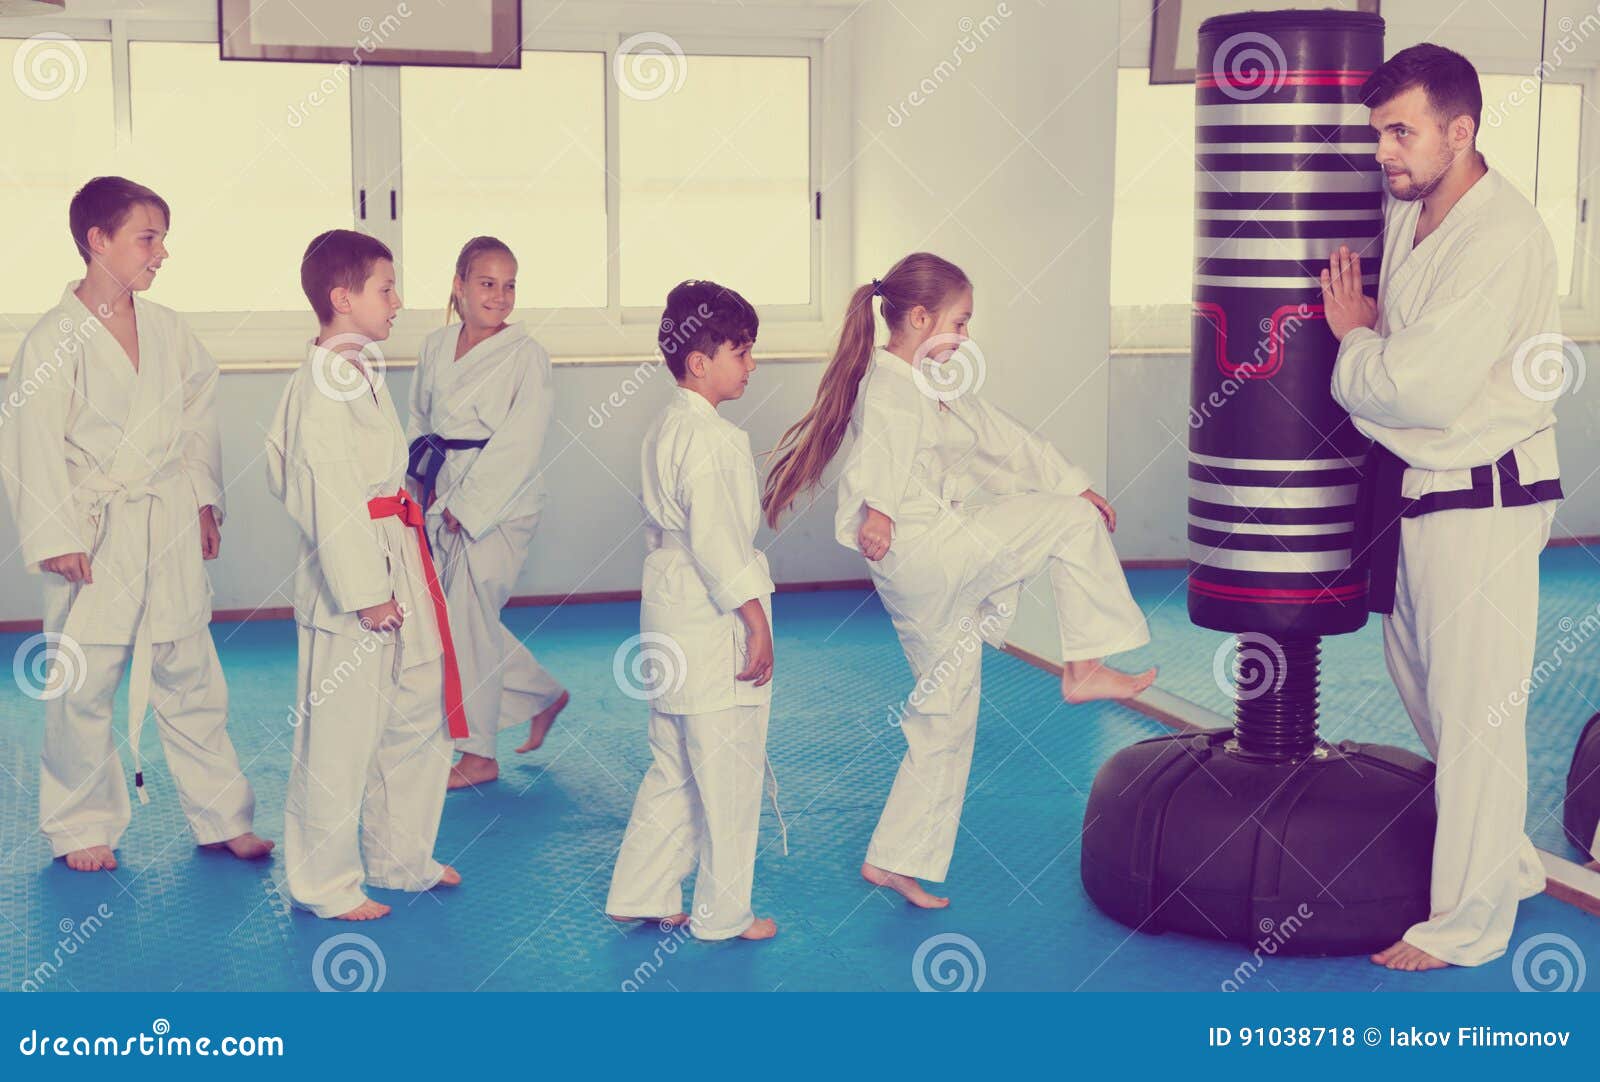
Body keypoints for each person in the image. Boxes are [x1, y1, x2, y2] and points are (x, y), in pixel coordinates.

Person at [762, 251, 1154, 908]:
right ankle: (1083, 666)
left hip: (919, 571)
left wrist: (1069, 480)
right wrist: (879, 509)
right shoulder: (892, 387)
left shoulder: (925, 384)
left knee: (945, 713)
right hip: (931, 551)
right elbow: (883, 450)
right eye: (960, 322)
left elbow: (1000, 438)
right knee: (1070, 522)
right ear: (920, 318)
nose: (966, 337)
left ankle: (894, 859)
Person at [1323, 44, 1563, 971]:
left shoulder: (1500, 235)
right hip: (1418, 490)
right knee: (1424, 685)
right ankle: (1508, 861)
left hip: (1483, 499)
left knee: (1475, 716)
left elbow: (1416, 387)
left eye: (1401, 132)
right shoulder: (1411, 210)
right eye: (1379, 133)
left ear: (1459, 131)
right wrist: (1381, 352)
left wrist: (1355, 342)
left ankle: (1465, 926)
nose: (1383, 151)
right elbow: (1407, 359)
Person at [0, 176, 270, 872]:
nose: (162, 253)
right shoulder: (53, 339)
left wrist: (203, 497)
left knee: (190, 672)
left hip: (166, 515)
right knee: (83, 683)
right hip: (95, 528)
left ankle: (223, 815)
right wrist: (56, 535)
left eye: (162, 239)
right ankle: (80, 824)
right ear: (98, 240)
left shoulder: (169, 330)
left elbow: (197, 416)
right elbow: (29, 441)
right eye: (148, 238)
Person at [265, 229, 467, 920]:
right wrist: (366, 593)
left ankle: (400, 857)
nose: (398, 301)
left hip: (396, 551)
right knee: (342, 735)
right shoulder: (321, 386)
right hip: (353, 580)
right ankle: (325, 884)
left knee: (416, 710)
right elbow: (326, 493)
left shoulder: (353, 371)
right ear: (342, 297)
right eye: (386, 288)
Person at [604, 280, 781, 942]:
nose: (752, 365)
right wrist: (755, 620)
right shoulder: (713, 438)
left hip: (668, 604)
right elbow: (717, 543)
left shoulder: (667, 427)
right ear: (700, 361)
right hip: (711, 615)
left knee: (674, 763)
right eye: (742, 351)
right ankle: (723, 914)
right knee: (727, 771)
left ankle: (642, 891)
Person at [408, 236, 568, 790]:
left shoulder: (526, 355)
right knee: (457, 620)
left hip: (501, 504)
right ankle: (540, 693)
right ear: (459, 285)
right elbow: (419, 421)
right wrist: (415, 488)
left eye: (509, 285)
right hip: (440, 488)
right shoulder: (435, 346)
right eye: (487, 283)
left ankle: (478, 754)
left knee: (467, 621)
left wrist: (470, 504)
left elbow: (522, 442)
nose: (499, 296)